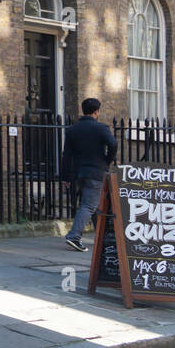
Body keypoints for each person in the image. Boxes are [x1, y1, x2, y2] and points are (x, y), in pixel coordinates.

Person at [59, 98, 118, 252]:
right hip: (96, 172)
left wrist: (65, 176)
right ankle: (74, 236)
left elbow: (67, 155)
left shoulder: (72, 130)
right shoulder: (101, 128)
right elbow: (113, 144)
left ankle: (103, 237)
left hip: (79, 173)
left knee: (96, 206)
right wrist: (107, 160)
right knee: (89, 205)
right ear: (96, 112)